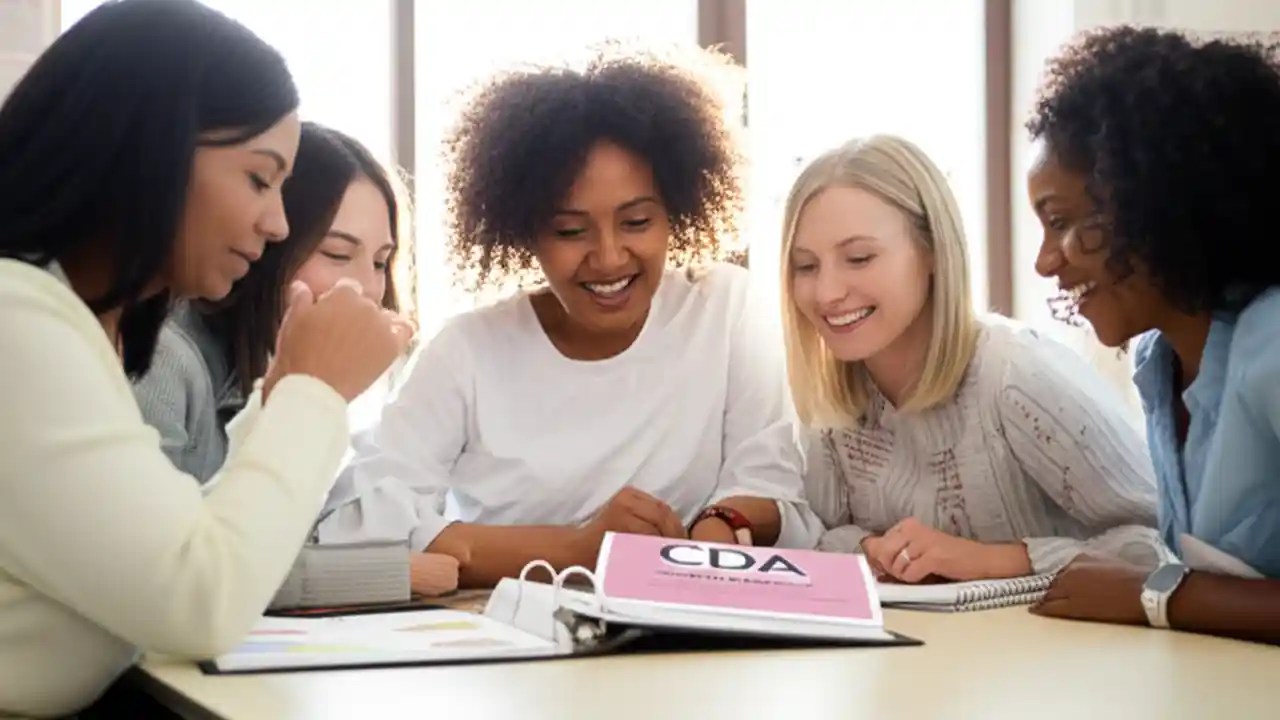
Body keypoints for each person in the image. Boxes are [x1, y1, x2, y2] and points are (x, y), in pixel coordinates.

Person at [0, 1, 409, 716]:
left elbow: (178, 554)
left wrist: (285, 397)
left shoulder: (75, 326)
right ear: (147, 148)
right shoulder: (17, 319)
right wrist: (313, 393)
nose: (276, 222)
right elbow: (201, 601)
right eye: (259, 178)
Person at [319, 46, 822, 588]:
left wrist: (719, 528)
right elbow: (358, 521)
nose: (608, 257)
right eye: (569, 231)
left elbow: (773, 484)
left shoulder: (726, 310)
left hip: (688, 626)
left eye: (636, 222)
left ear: (677, 212)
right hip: (512, 642)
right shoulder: (468, 350)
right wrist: (579, 547)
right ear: (523, 232)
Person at [784, 134, 1159, 584]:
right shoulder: (834, 402)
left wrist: (989, 560)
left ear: (933, 253)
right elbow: (818, 534)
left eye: (859, 258)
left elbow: (1159, 542)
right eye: (806, 266)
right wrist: (870, 549)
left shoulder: (1016, 373)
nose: (827, 293)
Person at [1024, 26, 1280, 645]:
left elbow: (1182, 592)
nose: (1044, 263)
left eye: (1060, 222)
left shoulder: (1272, 341)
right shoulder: (1158, 360)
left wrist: (1156, 595)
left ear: (1154, 198)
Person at [132, 121, 457, 601]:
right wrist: (393, 573)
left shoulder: (276, 373)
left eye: (380, 261)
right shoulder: (165, 357)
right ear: (269, 244)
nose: (367, 288)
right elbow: (169, 573)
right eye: (338, 253)